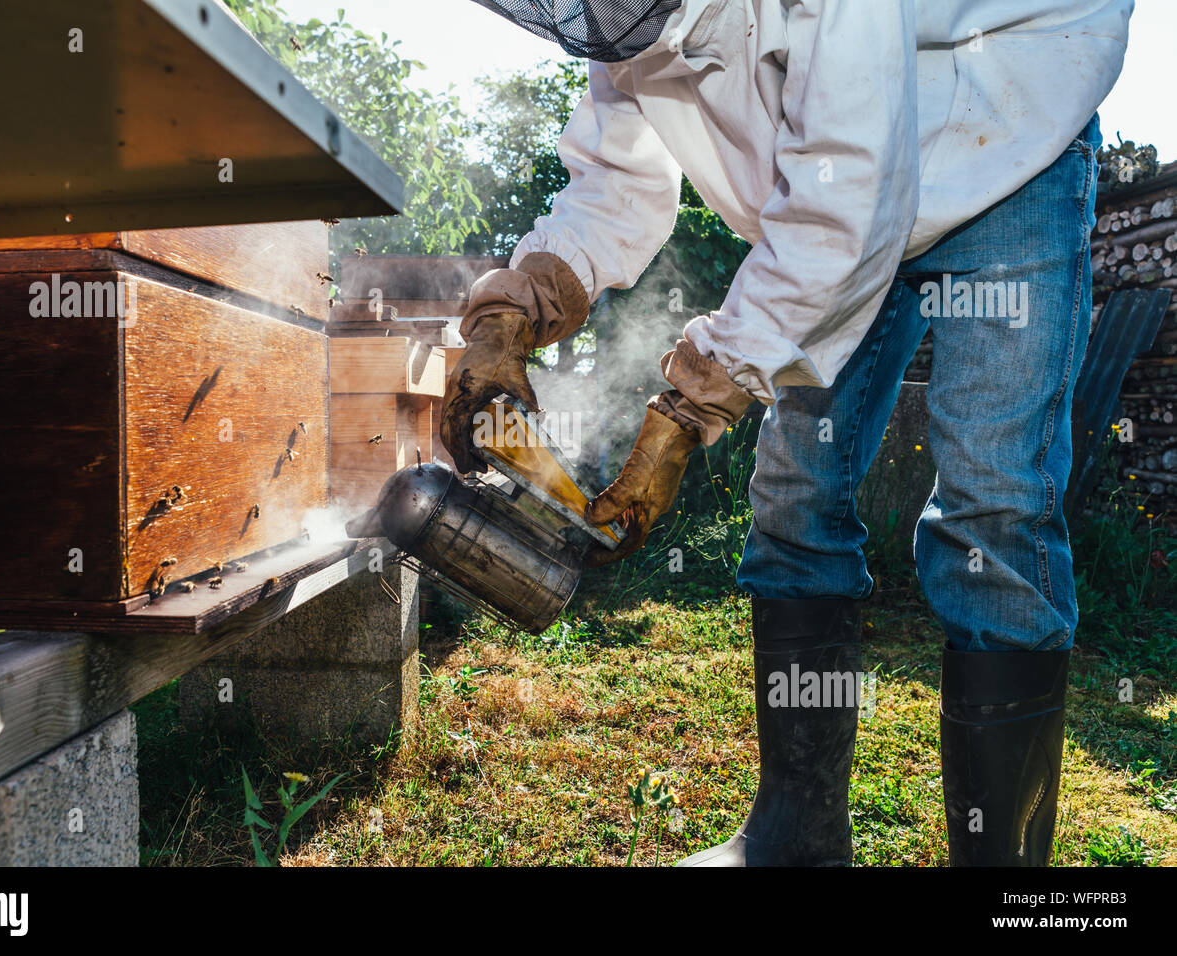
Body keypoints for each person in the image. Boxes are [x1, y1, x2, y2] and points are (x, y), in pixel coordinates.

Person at [441, 0, 1132, 866]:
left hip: (1004, 137)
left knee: (994, 505)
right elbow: (615, 187)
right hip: (833, 194)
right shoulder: (619, 19)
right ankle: (796, 836)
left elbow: (844, 197)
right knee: (796, 497)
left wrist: (689, 412)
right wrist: (510, 316)